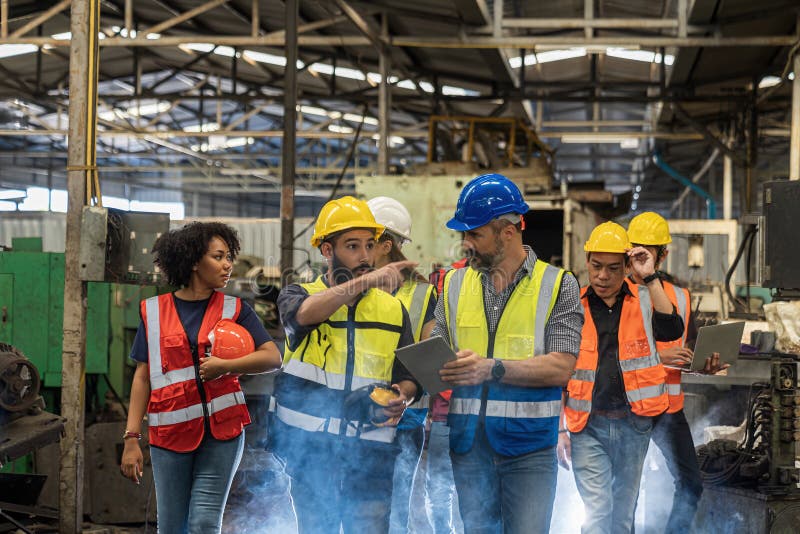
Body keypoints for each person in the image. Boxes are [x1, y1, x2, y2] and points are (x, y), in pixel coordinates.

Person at [434, 173, 584, 534]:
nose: (466, 244)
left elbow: (561, 367)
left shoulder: (559, 285)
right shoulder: (453, 283)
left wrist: (492, 368)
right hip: (468, 446)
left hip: (529, 449)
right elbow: (437, 351)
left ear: (508, 232)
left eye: (475, 234)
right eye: (464, 235)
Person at [120, 222, 282, 534]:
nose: (227, 264)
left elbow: (272, 357)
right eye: (218, 257)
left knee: (204, 523)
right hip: (169, 435)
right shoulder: (153, 312)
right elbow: (142, 377)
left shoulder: (236, 309)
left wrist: (225, 366)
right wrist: (131, 439)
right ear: (194, 261)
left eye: (229, 257)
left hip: (222, 434)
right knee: (171, 526)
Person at [272, 196, 421, 533]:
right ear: (327, 250)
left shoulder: (392, 310)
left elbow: (408, 375)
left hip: (372, 451)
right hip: (312, 451)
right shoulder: (299, 295)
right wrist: (366, 281)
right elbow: (302, 316)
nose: (365, 256)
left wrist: (403, 396)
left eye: (369, 245)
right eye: (353, 246)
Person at [558, 221, 684, 534]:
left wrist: (650, 276)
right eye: (596, 266)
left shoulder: (644, 299)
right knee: (598, 514)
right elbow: (559, 369)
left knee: (623, 517)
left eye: (613, 268)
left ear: (627, 266)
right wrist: (560, 429)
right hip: (587, 427)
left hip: (633, 426)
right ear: (586, 261)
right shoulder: (573, 306)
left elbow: (672, 329)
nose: (603, 275)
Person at [627, 212, 727, 533]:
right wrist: (659, 356)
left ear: (663, 255)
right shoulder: (616, 294)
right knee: (626, 495)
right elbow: (610, 354)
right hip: (629, 408)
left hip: (668, 410)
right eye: (635, 249)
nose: (639, 257)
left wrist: (703, 363)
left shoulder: (680, 297)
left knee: (690, 485)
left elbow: (689, 345)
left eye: (647, 251)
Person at [367, 196, 438, 534]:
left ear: (386, 245)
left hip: (405, 418)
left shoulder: (423, 294)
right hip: (358, 412)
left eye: (366, 240)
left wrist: (403, 395)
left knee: (395, 511)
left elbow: (432, 361)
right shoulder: (351, 289)